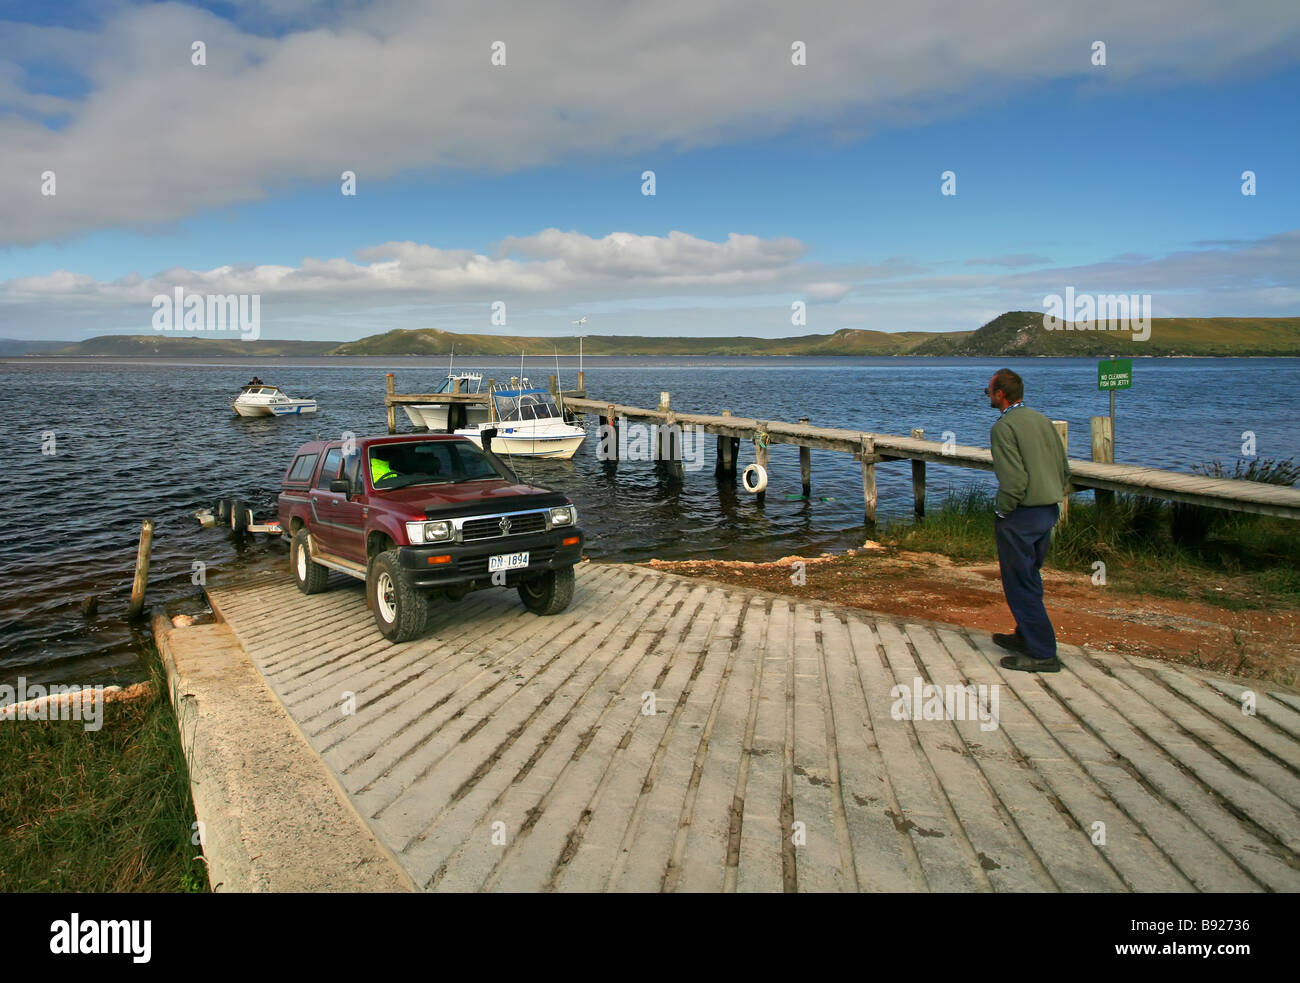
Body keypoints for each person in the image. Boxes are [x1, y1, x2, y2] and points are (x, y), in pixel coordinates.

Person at [985, 368, 1070, 672]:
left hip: (1020, 514)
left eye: (989, 392)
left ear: (1000, 395)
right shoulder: (1041, 420)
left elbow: (1014, 480)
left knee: (1019, 582)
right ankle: (1025, 635)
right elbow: (1064, 466)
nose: (989, 397)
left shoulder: (1004, 428)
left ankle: (1043, 652)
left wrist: (1002, 510)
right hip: (1047, 509)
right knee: (1030, 576)